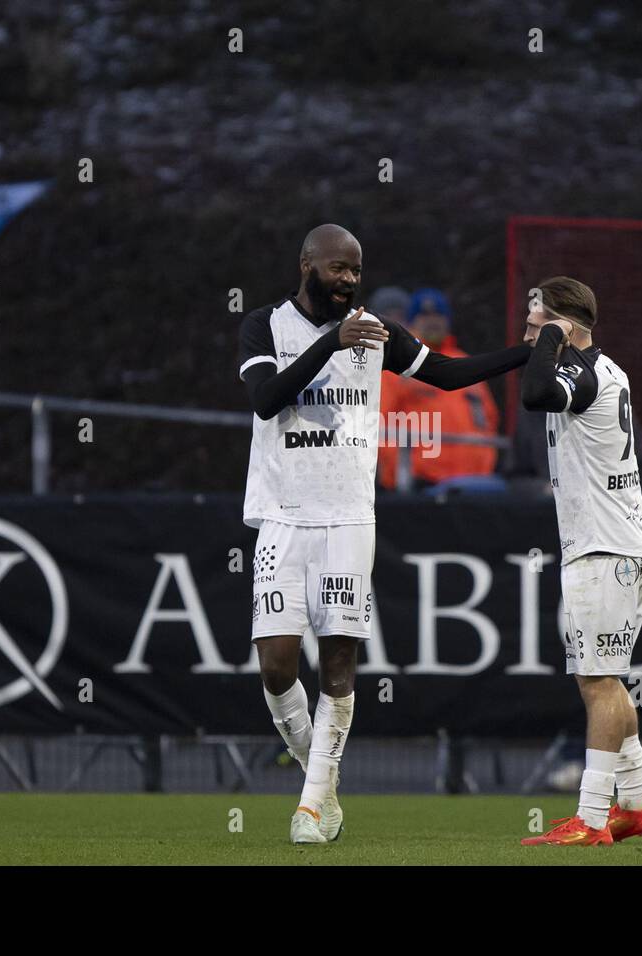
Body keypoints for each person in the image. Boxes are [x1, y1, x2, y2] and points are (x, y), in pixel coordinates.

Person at [236, 224, 529, 844]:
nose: (348, 280)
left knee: (338, 659)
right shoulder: (264, 325)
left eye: (356, 271)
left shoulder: (376, 332)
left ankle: (313, 805)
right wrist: (330, 346)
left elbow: (447, 375)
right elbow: (266, 399)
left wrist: (527, 353)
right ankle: (324, 772)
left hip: (349, 517)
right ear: (307, 264)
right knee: (275, 667)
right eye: (338, 268)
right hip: (283, 516)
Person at [516, 276, 642, 847]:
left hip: (603, 550)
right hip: (616, 546)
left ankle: (593, 818)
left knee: (597, 683)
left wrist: (552, 334)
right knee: (608, 681)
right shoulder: (607, 369)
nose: (529, 334)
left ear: (565, 326)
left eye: (537, 323)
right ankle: (635, 802)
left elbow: (534, 395)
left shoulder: (581, 371)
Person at [377, 288, 500, 490]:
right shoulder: (396, 365)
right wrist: (403, 473)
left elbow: (490, 421)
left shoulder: (466, 362)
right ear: (411, 322)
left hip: (473, 485)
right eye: (423, 315)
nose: (432, 320)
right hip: (419, 486)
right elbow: (379, 425)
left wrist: (484, 464)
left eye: (438, 314)